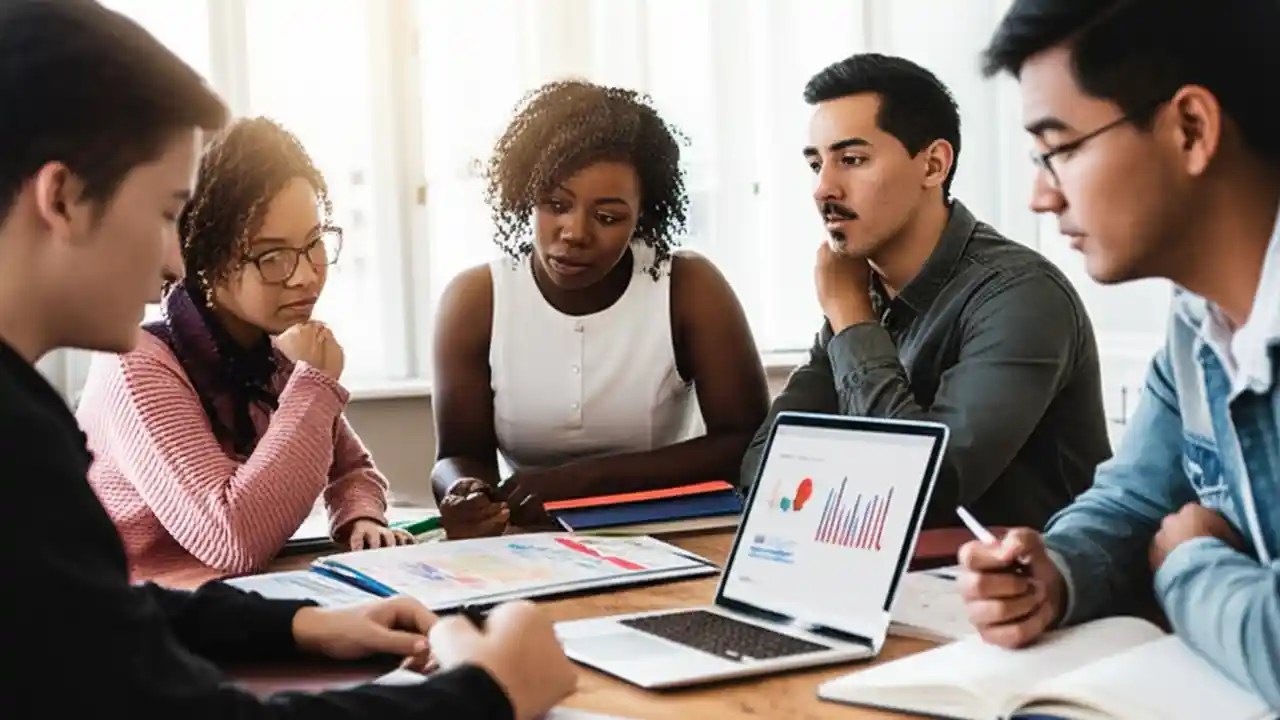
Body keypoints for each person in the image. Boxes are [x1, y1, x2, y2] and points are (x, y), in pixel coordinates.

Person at [0, 2, 574, 718]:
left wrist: (299, 623)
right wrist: (489, 692)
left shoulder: (24, 414)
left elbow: (91, 615)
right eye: (163, 213)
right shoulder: (30, 435)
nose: (176, 256)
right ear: (63, 197)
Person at [960, 0, 1280, 708]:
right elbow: (1134, 498)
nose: (1041, 195)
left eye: (1061, 148)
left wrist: (1191, 564)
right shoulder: (1198, 324)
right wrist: (1052, 572)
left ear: (1191, 128)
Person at [740, 54, 1110, 529]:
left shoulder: (1021, 295)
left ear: (933, 164)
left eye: (851, 160)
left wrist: (852, 320)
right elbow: (763, 468)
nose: (822, 189)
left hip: (1021, 588)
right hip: (886, 576)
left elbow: (922, 490)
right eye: (816, 164)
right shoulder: (860, 287)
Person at [432, 80, 770, 538]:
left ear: (643, 215)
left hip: (669, 535)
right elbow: (457, 455)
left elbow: (744, 442)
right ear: (525, 194)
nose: (574, 232)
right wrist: (463, 492)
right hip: (529, 543)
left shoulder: (688, 288)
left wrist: (583, 481)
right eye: (555, 205)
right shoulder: (475, 300)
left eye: (608, 217)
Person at [77, 117, 411, 580]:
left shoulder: (268, 349)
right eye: (272, 256)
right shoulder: (136, 365)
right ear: (202, 257)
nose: (306, 275)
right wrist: (313, 385)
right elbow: (233, 540)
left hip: (234, 608)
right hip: (134, 623)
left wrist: (361, 517)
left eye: (314, 243)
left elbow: (352, 470)